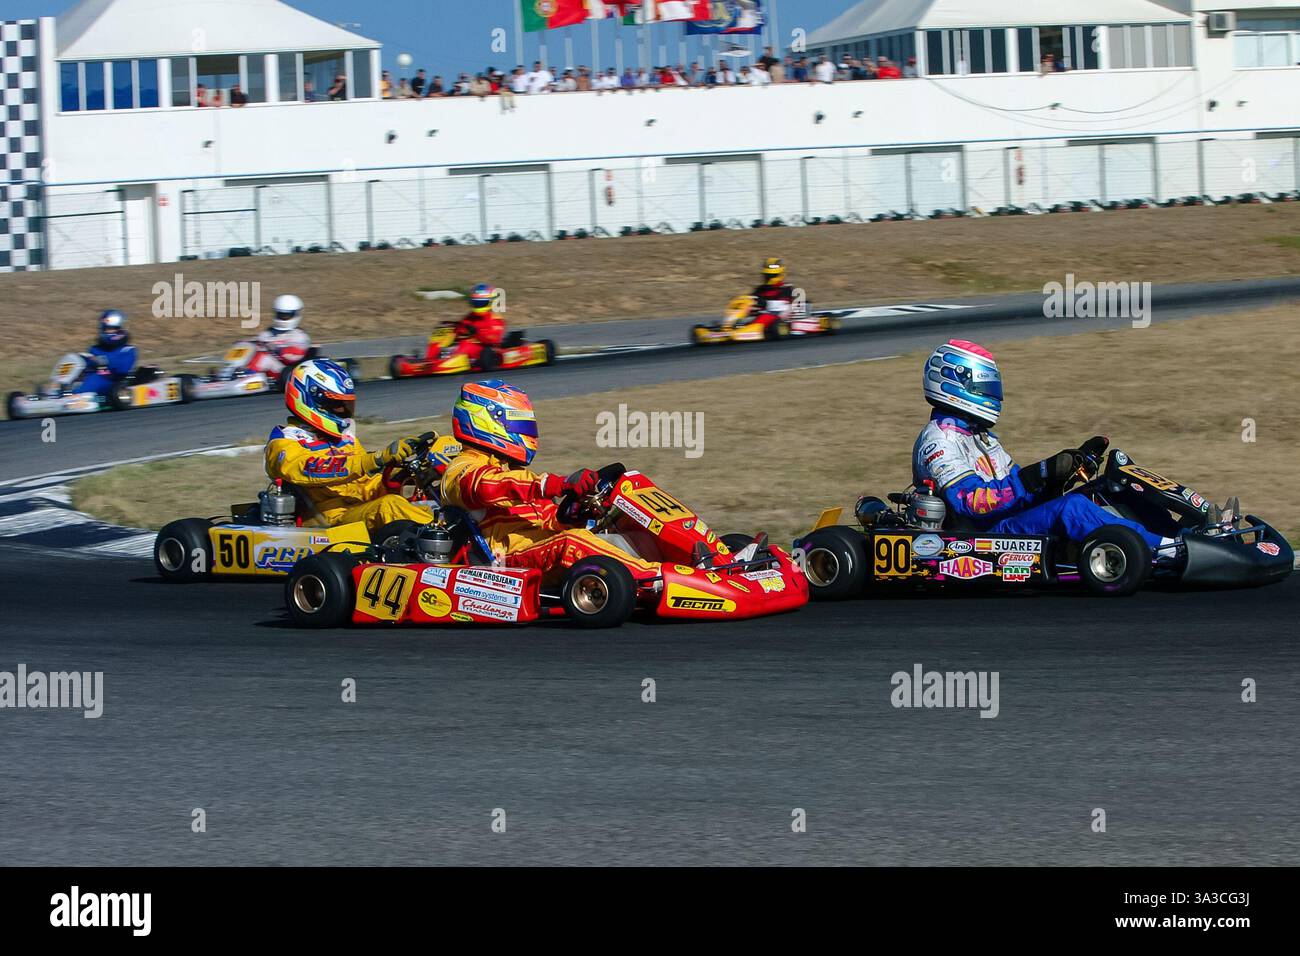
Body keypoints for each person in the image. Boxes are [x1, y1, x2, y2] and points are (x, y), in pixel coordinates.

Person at [911, 340, 1179, 552]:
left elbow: (1022, 494)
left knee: (1110, 488)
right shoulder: (939, 441)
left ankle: (1180, 535)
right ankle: (1162, 549)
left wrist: (1061, 475)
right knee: (1071, 508)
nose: (992, 394)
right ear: (953, 381)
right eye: (984, 386)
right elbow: (971, 503)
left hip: (1009, 522)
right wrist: (1038, 473)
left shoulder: (982, 438)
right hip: (983, 537)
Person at [440, 380, 656, 584]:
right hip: (508, 561)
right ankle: (654, 580)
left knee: (635, 534)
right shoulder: (461, 469)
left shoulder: (509, 472)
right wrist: (555, 484)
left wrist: (577, 513)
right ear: (485, 422)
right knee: (573, 542)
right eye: (518, 423)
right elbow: (487, 487)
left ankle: (680, 567)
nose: (525, 431)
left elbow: (546, 520)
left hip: (540, 549)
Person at [264, 359, 433, 530]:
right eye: (337, 405)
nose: (344, 411)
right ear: (313, 401)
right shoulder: (284, 442)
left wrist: (402, 473)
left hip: (355, 511)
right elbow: (311, 469)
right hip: (327, 522)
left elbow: (363, 486)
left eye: (346, 405)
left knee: (430, 506)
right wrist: (375, 459)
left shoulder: (342, 439)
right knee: (390, 507)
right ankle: (443, 543)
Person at [428, 283, 506, 367]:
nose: (478, 305)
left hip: (485, 348)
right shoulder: (471, 316)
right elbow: (462, 326)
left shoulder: (495, 318)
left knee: (465, 343)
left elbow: (494, 339)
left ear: (490, 302)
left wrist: (476, 332)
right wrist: (452, 327)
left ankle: (448, 360)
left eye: (481, 303)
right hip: (466, 344)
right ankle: (431, 358)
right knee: (445, 334)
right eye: (475, 303)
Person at [75, 310, 138, 396]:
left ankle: (77, 394)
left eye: (111, 329)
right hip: (92, 379)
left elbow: (122, 370)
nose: (107, 332)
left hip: (114, 382)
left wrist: (101, 361)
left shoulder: (127, 350)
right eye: (106, 329)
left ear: (120, 330)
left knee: (96, 378)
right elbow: (87, 367)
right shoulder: (95, 349)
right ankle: (61, 392)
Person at [254, 294, 312, 372]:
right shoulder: (267, 333)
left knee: (265, 358)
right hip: (268, 372)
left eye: (287, 315)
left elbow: (295, 357)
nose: (283, 318)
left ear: (296, 314)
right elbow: (258, 344)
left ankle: (247, 375)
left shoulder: (300, 336)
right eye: (280, 315)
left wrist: (276, 348)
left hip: (289, 371)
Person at [744, 257, 797, 328]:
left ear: (780, 275)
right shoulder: (761, 289)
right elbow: (753, 299)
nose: (768, 278)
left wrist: (763, 303)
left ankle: (752, 328)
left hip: (780, 318)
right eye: (767, 276)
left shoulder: (785, 288)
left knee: (766, 317)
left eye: (771, 276)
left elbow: (783, 305)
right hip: (760, 315)